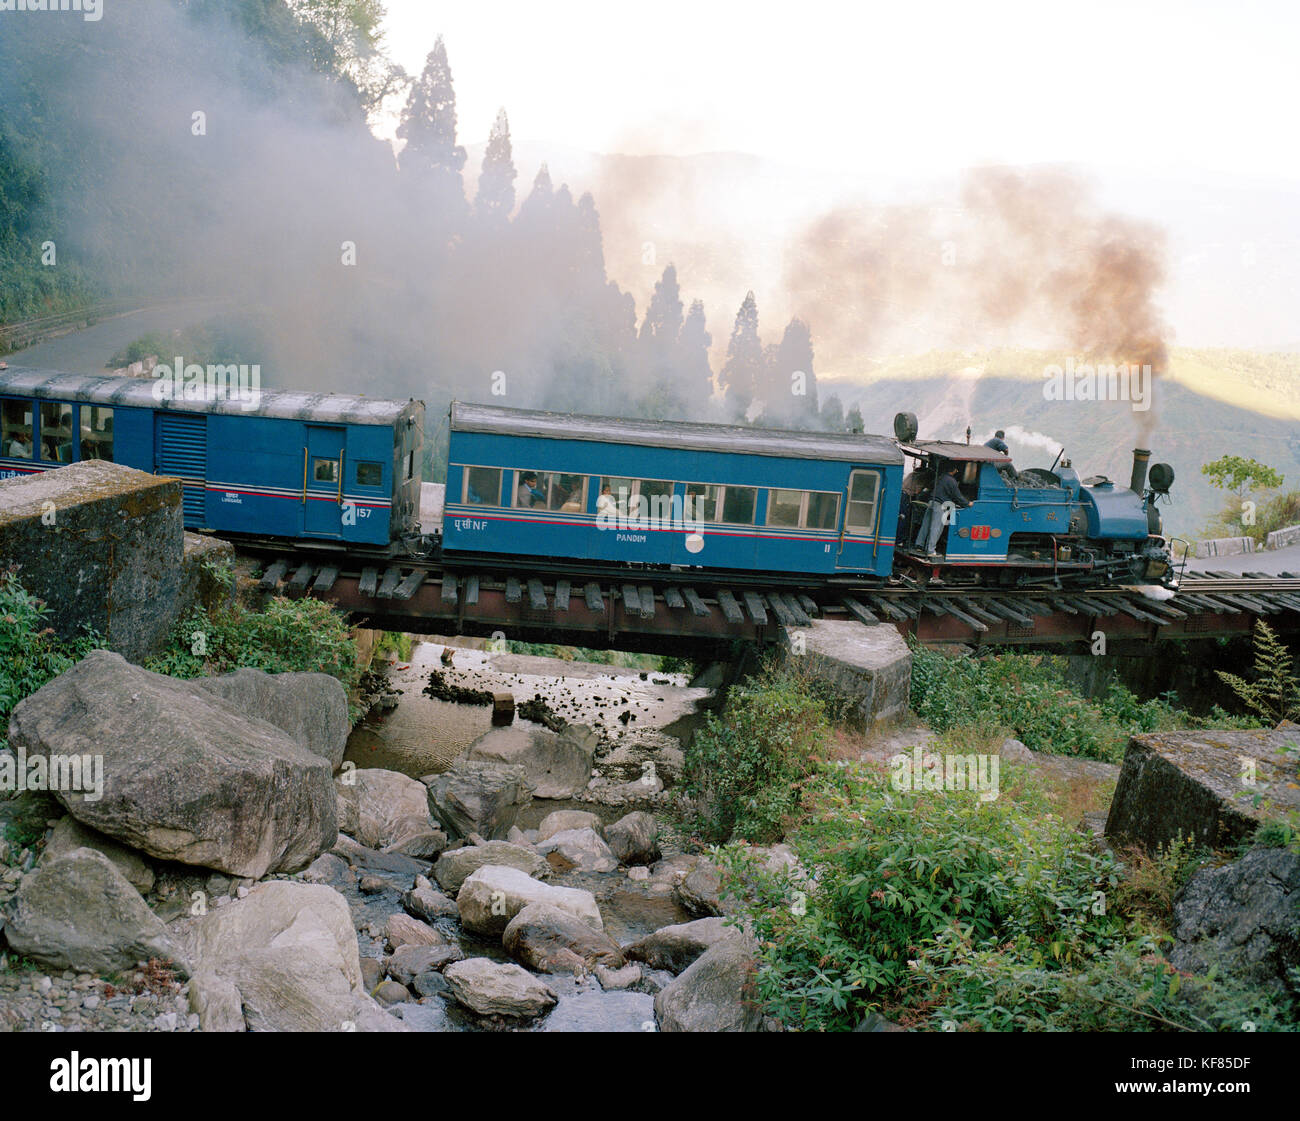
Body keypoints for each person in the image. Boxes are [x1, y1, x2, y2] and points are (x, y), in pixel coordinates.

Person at [915, 463, 972, 557]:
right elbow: (957, 496)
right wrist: (967, 503)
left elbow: (930, 486)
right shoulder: (952, 481)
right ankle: (930, 551)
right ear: (954, 471)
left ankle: (919, 545)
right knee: (936, 527)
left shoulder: (940, 477)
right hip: (941, 505)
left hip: (931, 502)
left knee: (926, 524)